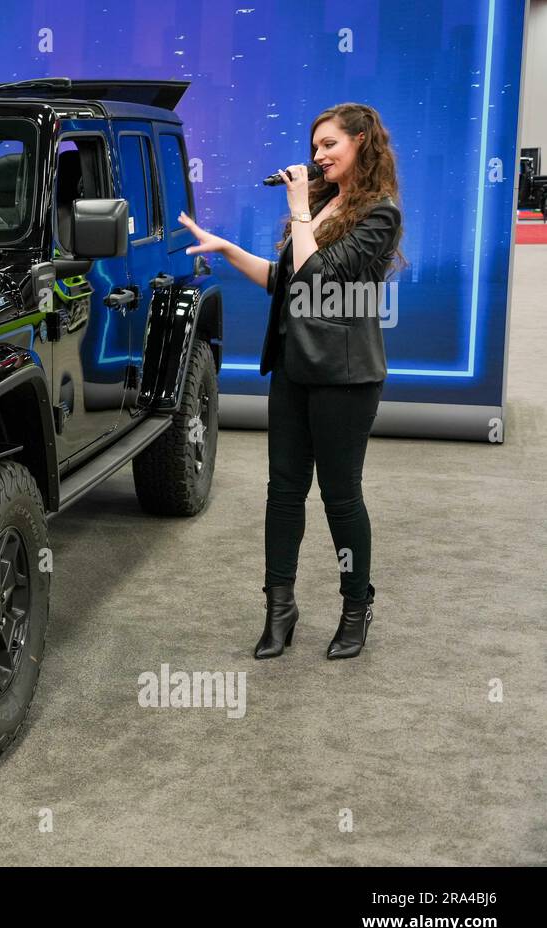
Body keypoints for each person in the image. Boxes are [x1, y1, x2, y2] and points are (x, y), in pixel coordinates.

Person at [178, 103, 404, 662]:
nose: (318, 155)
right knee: (283, 494)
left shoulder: (380, 213)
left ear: (361, 143)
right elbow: (286, 280)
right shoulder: (322, 208)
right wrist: (228, 249)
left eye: (330, 145)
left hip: (345, 377)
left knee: (340, 495)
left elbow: (317, 276)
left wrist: (300, 208)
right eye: (316, 147)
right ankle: (280, 608)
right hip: (294, 369)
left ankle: (356, 607)